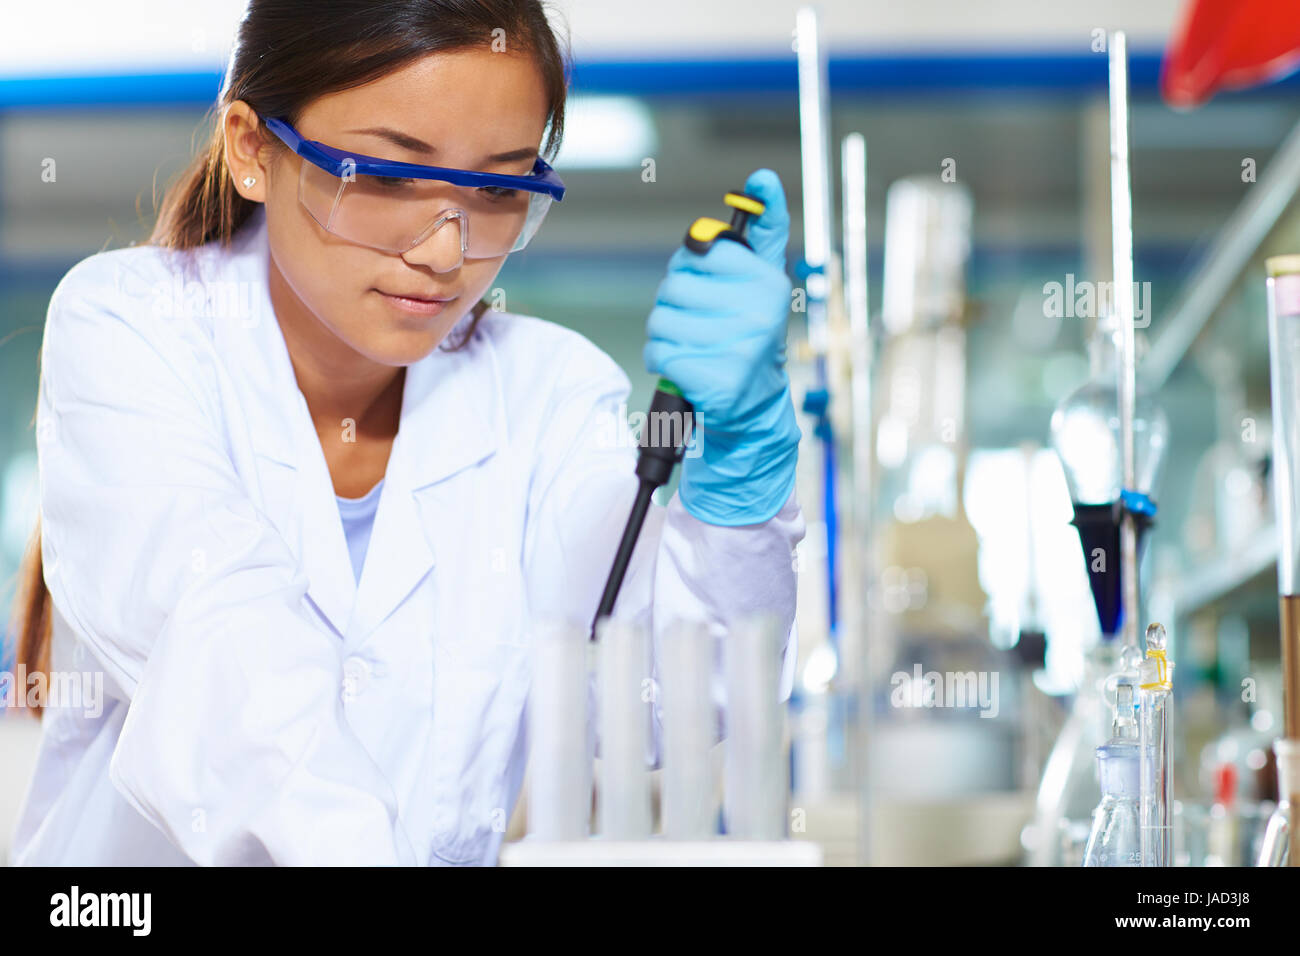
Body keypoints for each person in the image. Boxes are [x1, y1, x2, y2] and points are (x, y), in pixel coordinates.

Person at [7, 0, 804, 866]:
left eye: (499, 190)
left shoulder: (546, 393)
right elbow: (221, 659)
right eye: (385, 175)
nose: (444, 249)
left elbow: (651, 701)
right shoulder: (131, 323)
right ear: (251, 148)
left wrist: (739, 494)